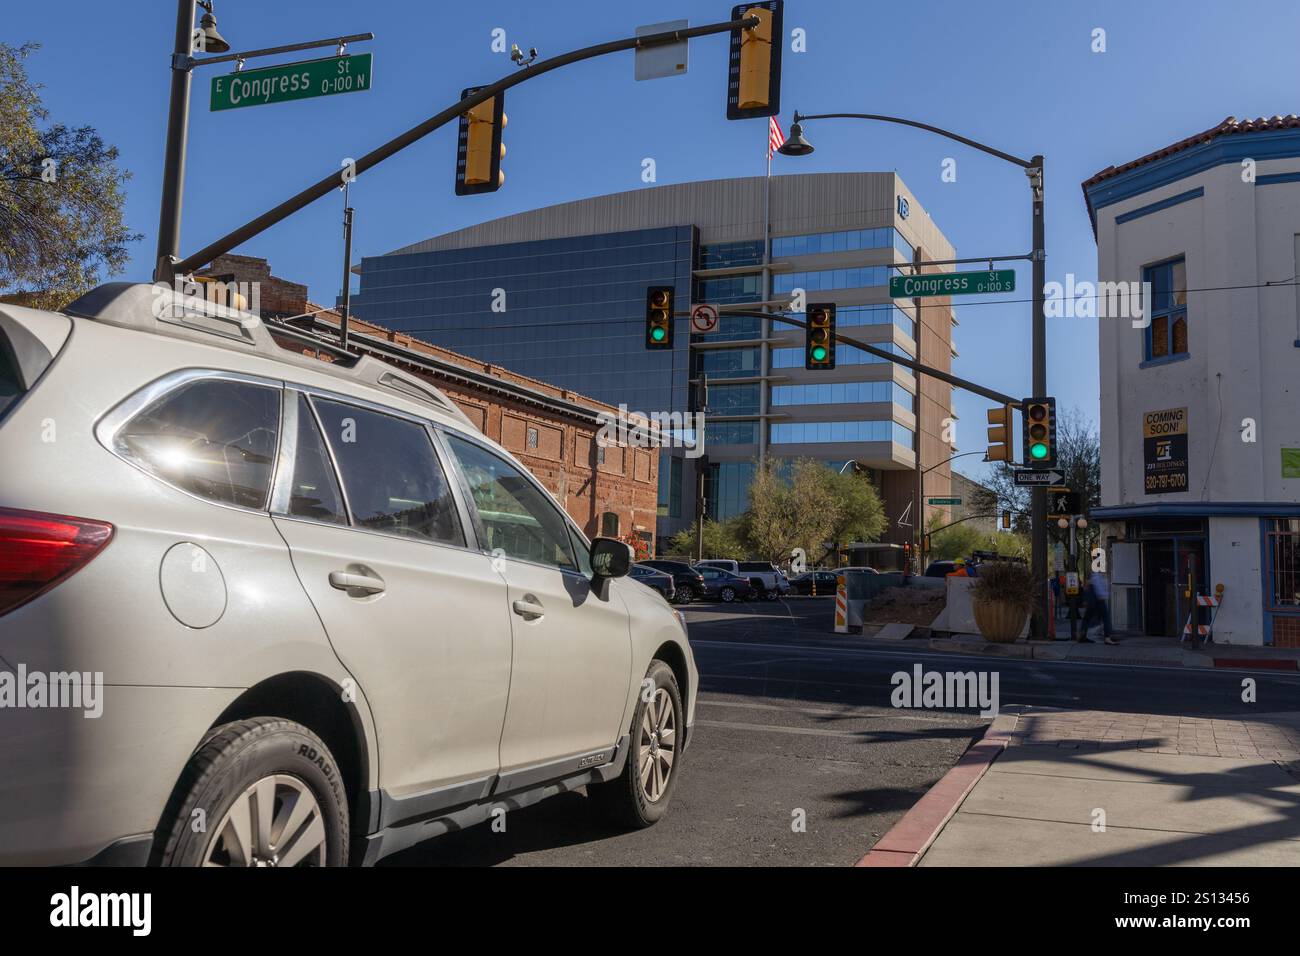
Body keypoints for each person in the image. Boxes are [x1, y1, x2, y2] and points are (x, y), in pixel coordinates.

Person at [1083, 571, 1115, 644]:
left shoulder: (1095, 575)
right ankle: (1107, 637)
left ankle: (1082, 635)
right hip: (1099, 598)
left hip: (1094, 597)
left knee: (1087, 618)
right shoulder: (1098, 575)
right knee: (1105, 618)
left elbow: (1088, 585)